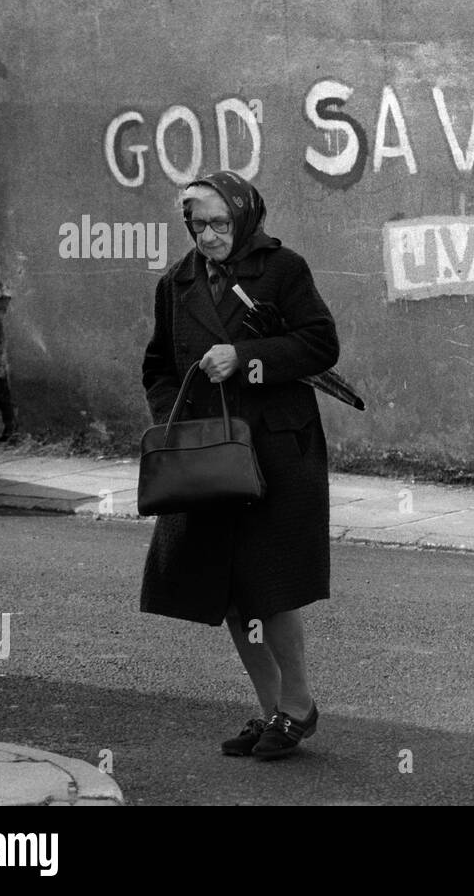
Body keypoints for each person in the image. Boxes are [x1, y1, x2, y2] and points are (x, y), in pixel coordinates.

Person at [140, 170, 340, 760]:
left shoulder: (283, 270)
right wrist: (176, 423)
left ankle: (299, 706)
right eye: (196, 224)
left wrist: (246, 359)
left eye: (218, 223)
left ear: (244, 216)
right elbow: (158, 367)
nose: (207, 236)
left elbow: (319, 345)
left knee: (269, 590)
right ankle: (273, 710)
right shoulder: (175, 284)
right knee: (227, 593)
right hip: (210, 458)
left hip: (277, 452)